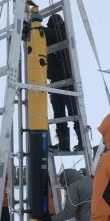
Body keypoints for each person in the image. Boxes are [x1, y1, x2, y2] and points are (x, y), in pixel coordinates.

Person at [44, 14, 82, 152]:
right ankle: (64, 144)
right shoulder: (52, 36)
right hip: (56, 82)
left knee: (74, 113)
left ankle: (82, 142)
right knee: (59, 114)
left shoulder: (64, 31)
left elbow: (54, 35)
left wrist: (37, 29)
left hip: (68, 80)